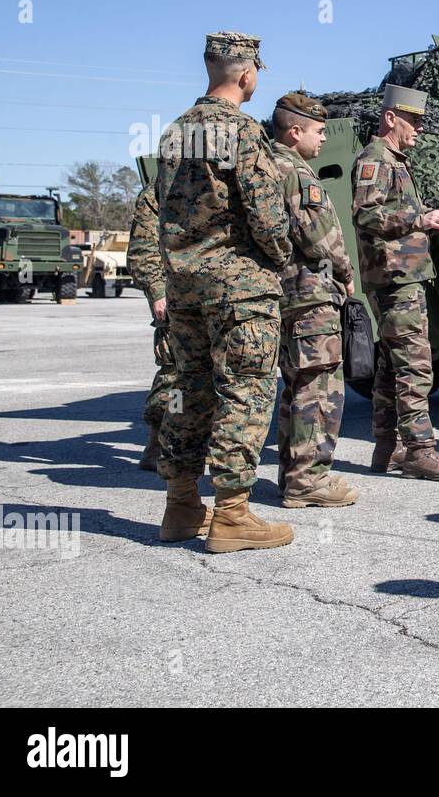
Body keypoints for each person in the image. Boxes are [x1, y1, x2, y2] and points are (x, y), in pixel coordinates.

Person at [155, 31, 293, 552]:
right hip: (239, 288)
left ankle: (181, 505)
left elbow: (164, 210)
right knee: (246, 392)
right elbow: (265, 213)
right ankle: (232, 515)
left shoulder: (175, 132)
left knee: (187, 391)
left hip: (185, 286)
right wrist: (280, 259)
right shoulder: (241, 132)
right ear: (246, 73)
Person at [351, 83, 439, 481]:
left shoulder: (395, 160)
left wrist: (435, 217)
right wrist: (421, 219)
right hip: (393, 279)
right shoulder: (377, 159)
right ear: (391, 118)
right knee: (415, 364)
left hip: (398, 275)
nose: (418, 128)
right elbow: (367, 217)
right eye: (413, 120)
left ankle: (387, 449)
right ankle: (420, 450)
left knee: (390, 364)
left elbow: (396, 217)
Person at [270, 92, 359, 508]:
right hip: (312, 294)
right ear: (295, 131)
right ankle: (309, 480)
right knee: (319, 388)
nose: (323, 140)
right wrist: (346, 271)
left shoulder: (264, 168)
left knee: (295, 385)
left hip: (286, 296)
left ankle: (291, 473)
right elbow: (320, 238)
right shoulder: (298, 174)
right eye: (318, 132)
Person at [126, 179, 176, 472]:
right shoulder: (160, 190)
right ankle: (159, 444)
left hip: (215, 295)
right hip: (176, 299)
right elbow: (142, 248)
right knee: (174, 374)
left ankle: (193, 443)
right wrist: (157, 292)